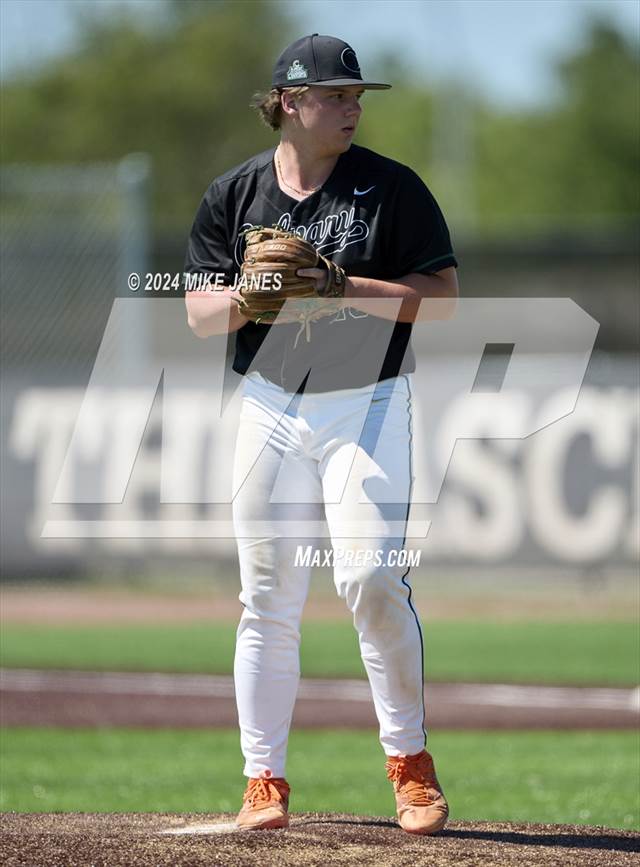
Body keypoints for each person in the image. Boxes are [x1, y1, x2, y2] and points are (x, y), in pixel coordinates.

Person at [184, 34, 459, 835]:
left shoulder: (391, 188)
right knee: (267, 596)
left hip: (365, 400)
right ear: (289, 103)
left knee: (372, 579)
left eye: (356, 94)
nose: (353, 106)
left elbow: (441, 297)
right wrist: (252, 295)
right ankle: (262, 778)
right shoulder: (234, 194)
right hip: (269, 403)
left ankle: (410, 764)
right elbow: (199, 313)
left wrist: (340, 283)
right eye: (336, 95)